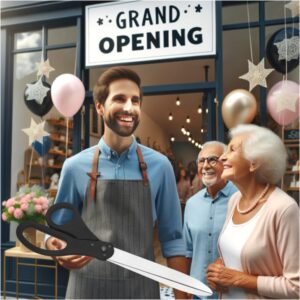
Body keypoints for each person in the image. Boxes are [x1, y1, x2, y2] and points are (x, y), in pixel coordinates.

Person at [46, 67, 188, 299]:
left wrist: (181, 296)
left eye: (135, 100)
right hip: (86, 288)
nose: (129, 107)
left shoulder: (161, 167)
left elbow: (173, 238)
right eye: (119, 98)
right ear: (100, 106)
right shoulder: (74, 166)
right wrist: (57, 247)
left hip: (140, 289)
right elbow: (57, 230)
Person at [206, 124, 299, 299]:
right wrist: (218, 271)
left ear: (254, 162)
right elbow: (236, 256)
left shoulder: (284, 209)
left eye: (232, 150)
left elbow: (296, 287)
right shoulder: (234, 201)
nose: (222, 157)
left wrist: (241, 280)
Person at [183, 141, 237, 299]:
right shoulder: (192, 204)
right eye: (201, 161)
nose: (206, 166)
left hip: (231, 293)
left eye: (213, 159)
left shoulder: (241, 199)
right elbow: (188, 250)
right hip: (197, 292)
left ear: (226, 163)